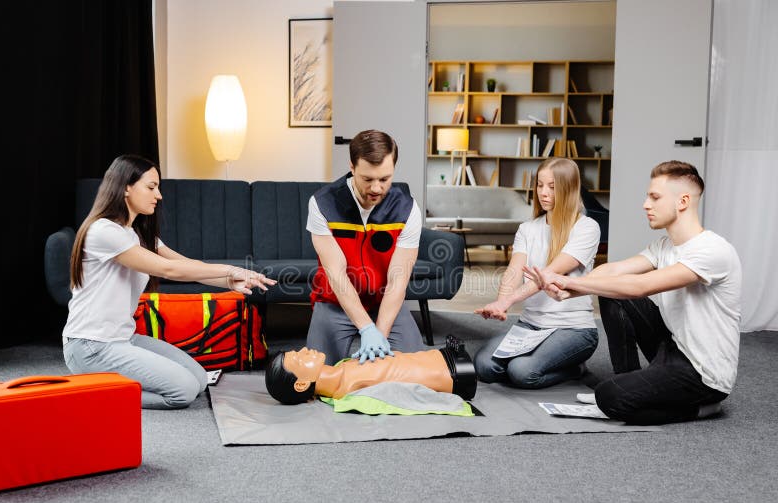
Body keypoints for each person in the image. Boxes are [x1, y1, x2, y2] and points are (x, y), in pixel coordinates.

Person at [524, 160, 742, 425]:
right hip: (672, 349)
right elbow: (613, 271)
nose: (645, 204)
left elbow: (641, 286)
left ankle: (702, 408)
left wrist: (570, 283)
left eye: (655, 197)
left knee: (609, 398)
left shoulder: (712, 250)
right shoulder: (664, 246)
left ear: (682, 201)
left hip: (703, 373)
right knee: (612, 293)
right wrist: (568, 289)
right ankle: (627, 378)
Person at [62, 155, 276, 409]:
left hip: (123, 338)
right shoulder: (104, 231)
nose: (159, 195)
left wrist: (231, 281)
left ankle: (110, 382)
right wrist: (231, 268)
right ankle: (93, 393)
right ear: (126, 187)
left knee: (198, 379)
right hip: (91, 345)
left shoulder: (137, 233)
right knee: (182, 392)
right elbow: (169, 269)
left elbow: (186, 265)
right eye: (151, 187)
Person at [473, 157, 600, 389]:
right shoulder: (527, 229)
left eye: (552, 187)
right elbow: (514, 270)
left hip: (573, 328)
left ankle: (575, 369)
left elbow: (549, 274)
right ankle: (541, 360)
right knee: (484, 366)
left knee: (522, 372)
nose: (543, 192)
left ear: (569, 188)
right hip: (530, 325)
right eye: (540, 185)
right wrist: (501, 302)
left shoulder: (587, 228)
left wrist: (510, 299)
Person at [306, 129, 424, 365]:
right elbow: (336, 275)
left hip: (385, 301)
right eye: (368, 179)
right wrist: (366, 329)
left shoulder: (408, 210)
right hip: (335, 302)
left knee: (412, 371)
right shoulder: (322, 203)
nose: (377, 188)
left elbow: (398, 281)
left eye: (385, 179)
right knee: (317, 376)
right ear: (352, 167)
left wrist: (378, 334)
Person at [265, 336, 476, 405]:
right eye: (299, 359)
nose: (304, 349)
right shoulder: (350, 389)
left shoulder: (342, 368)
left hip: (445, 357)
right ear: (301, 384)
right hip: (454, 373)